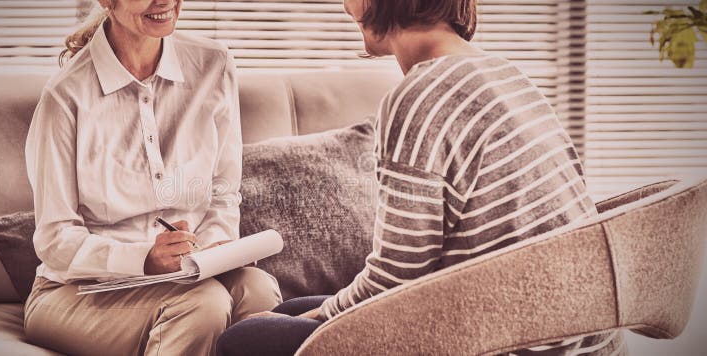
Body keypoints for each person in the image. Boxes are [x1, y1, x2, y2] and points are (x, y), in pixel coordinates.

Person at [216, 0, 626, 355]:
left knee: (245, 339)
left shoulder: (418, 98)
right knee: (288, 312)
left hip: (506, 341)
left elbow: (396, 280)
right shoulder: (507, 74)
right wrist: (311, 313)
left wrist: (322, 317)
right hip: (578, 335)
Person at [22, 0, 281, 355]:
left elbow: (223, 192)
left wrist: (213, 248)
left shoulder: (214, 65)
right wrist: (143, 258)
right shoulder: (65, 96)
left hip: (186, 275)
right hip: (75, 291)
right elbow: (55, 240)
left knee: (259, 290)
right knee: (203, 306)